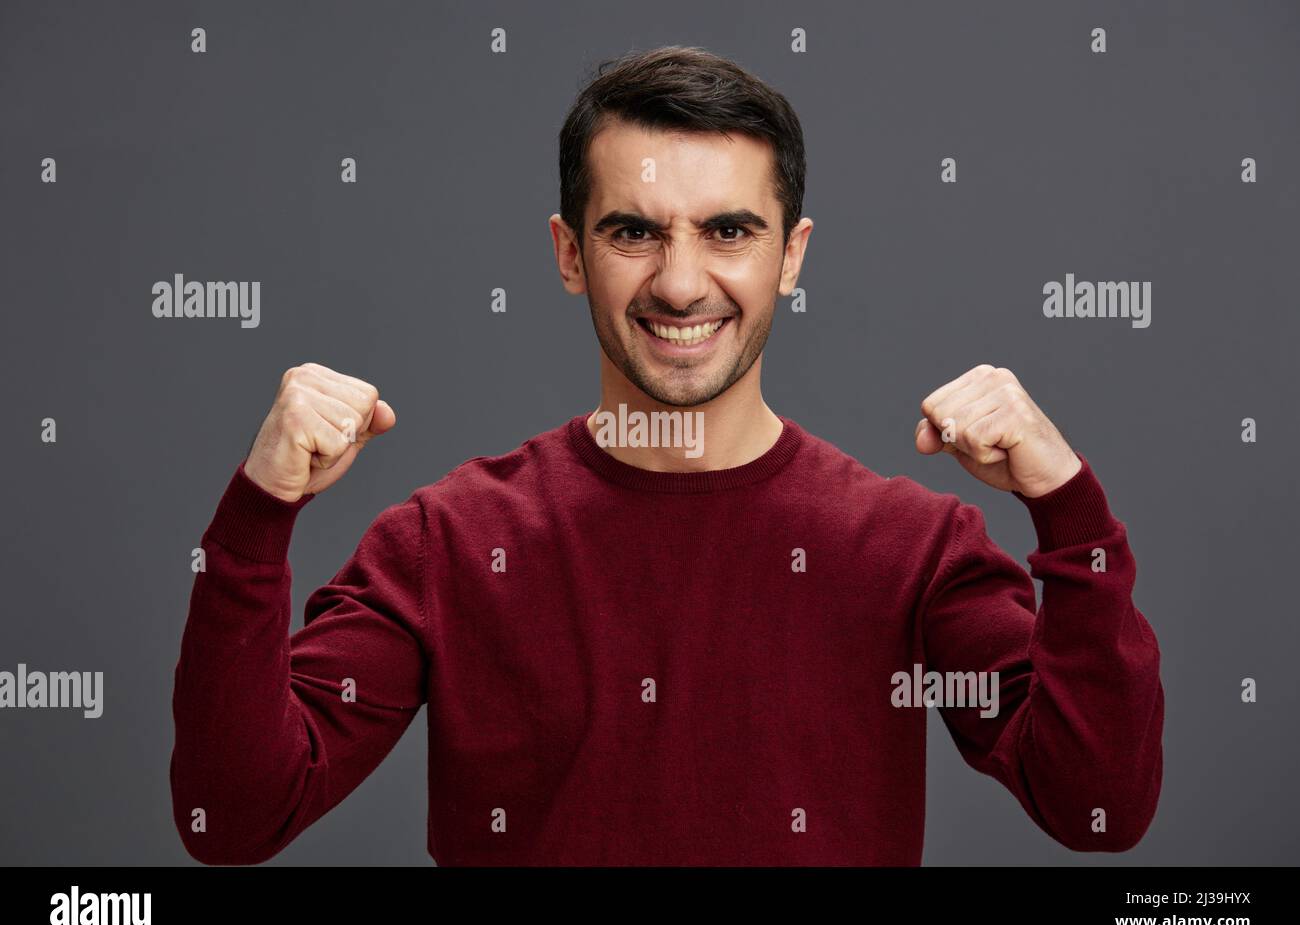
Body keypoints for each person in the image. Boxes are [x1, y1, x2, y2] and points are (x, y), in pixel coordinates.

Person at [170, 45, 1163, 865]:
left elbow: (1098, 807)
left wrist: (1066, 505)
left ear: (792, 254)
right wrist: (260, 512)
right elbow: (235, 814)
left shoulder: (909, 547)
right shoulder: (450, 543)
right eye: (634, 232)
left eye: (728, 230)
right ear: (568, 253)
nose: (681, 283)